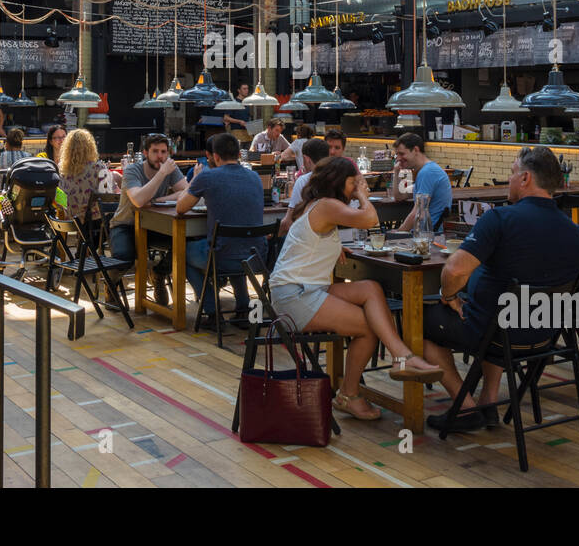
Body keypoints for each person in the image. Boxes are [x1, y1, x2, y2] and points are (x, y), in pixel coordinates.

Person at [422, 146, 579, 432]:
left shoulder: (500, 219)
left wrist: (449, 296)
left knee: (416, 322)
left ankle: (466, 408)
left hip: (495, 332)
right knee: (498, 309)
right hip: (543, 335)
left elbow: (455, 269)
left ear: (525, 179)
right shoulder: (577, 232)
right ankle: (487, 401)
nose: (508, 180)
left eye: (511, 173)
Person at [269, 157, 444, 421]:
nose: (357, 186)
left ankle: (400, 358)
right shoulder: (327, 205)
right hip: (293, 296)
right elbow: (369, 219)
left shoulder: (319, 206)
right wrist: (364, 196)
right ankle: (349, 395)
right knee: (367, 328)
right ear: (339, 182)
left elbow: (304, 239)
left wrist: (332, 246)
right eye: (354, 182)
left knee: (370, 288)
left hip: (302, 289)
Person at [175, 132, 265, 328]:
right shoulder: (255, 177)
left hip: (222, 257)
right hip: (257, 257)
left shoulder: (207, 176)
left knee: (180, 253)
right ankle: (243, 308)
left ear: (214, 157)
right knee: (237, 246)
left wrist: (194, 180)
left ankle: (213, 312)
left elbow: (180, 208)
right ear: (239, 155)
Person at [109, 133, 190, 300]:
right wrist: (161, 174)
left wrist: (158, 200)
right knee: (124, 258)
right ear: (145, 153)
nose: (160, 156)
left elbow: (187, 191)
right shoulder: (133, 170)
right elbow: (138, 200)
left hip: (155, 225)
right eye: (155, 151)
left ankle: (159, 274)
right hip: (126, 225)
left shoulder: (170, 170)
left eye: (163, 152)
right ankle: (110, 284)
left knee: (185, 243)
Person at [392, 132, 452, 235]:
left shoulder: (427, 173)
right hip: (426, 233)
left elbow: (419, 212)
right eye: (397, 155)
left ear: (415, 150)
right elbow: (400, 196)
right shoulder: (424, 171)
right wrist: (396, 171)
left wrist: (398, 233)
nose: (398, 158)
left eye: (401, 154)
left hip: (428, 236)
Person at [57, 127, 109, 226]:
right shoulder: (99, 168)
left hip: (71, 223)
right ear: (91, 147)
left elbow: (60, 201)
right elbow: (108, 196)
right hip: (95, 222)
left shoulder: (61, 170)